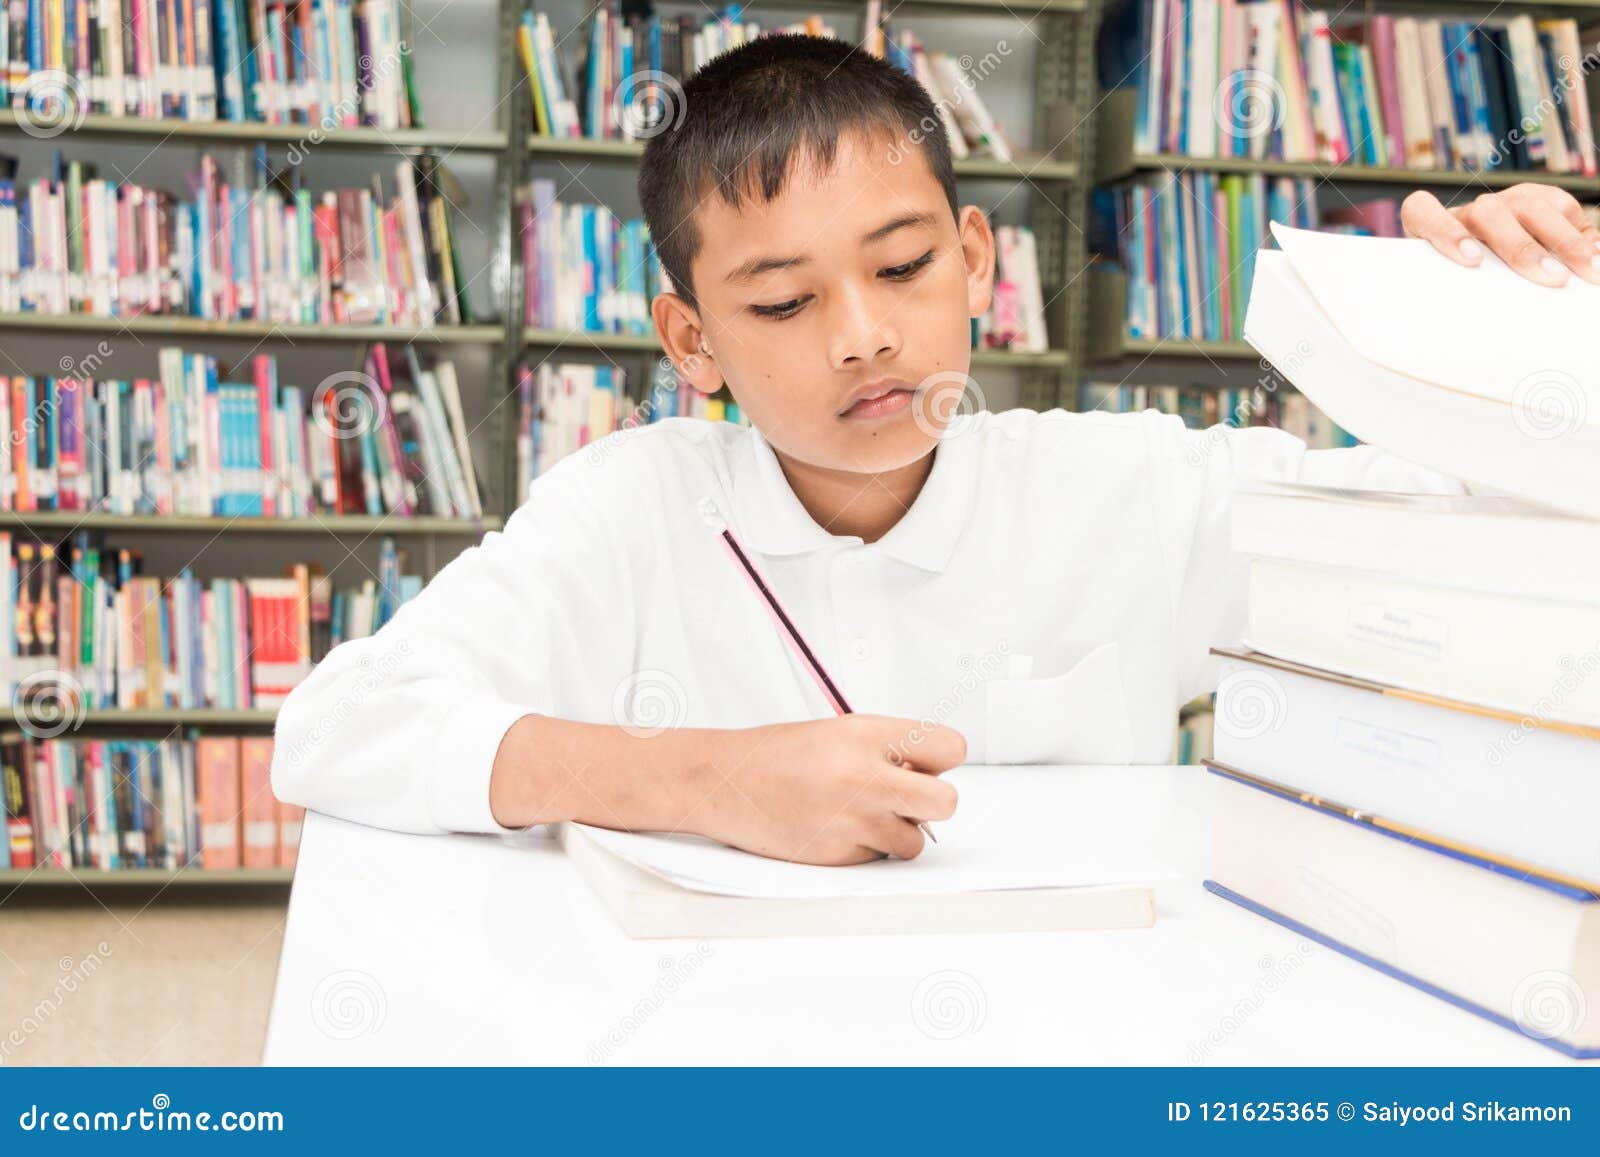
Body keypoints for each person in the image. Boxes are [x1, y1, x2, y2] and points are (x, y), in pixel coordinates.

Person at [271, 35, 1583, 865]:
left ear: (974, 259)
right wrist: (709, 778)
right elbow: (339, 727)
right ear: (693, 339)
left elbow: (1478, 538)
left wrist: (1521, 338)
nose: (861, 338)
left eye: (902, 268)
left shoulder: (1128, 485)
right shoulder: (632, 508)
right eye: (782, 303)